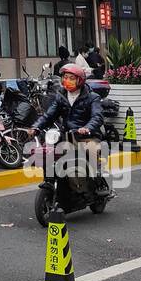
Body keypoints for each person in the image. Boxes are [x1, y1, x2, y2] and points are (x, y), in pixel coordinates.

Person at [30, 64, 112, 197]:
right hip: (66, 136)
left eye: (71, 78)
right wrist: (36, 127)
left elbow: (97, 117)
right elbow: (49, 115)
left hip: (87, 136)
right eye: (65, 77)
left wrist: (87, 128)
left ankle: (97, 180)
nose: (67, 80)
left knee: (90, 150)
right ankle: (50, 180)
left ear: (80, 80)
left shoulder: (92, 97)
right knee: (47, 152)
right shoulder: (61, 96)